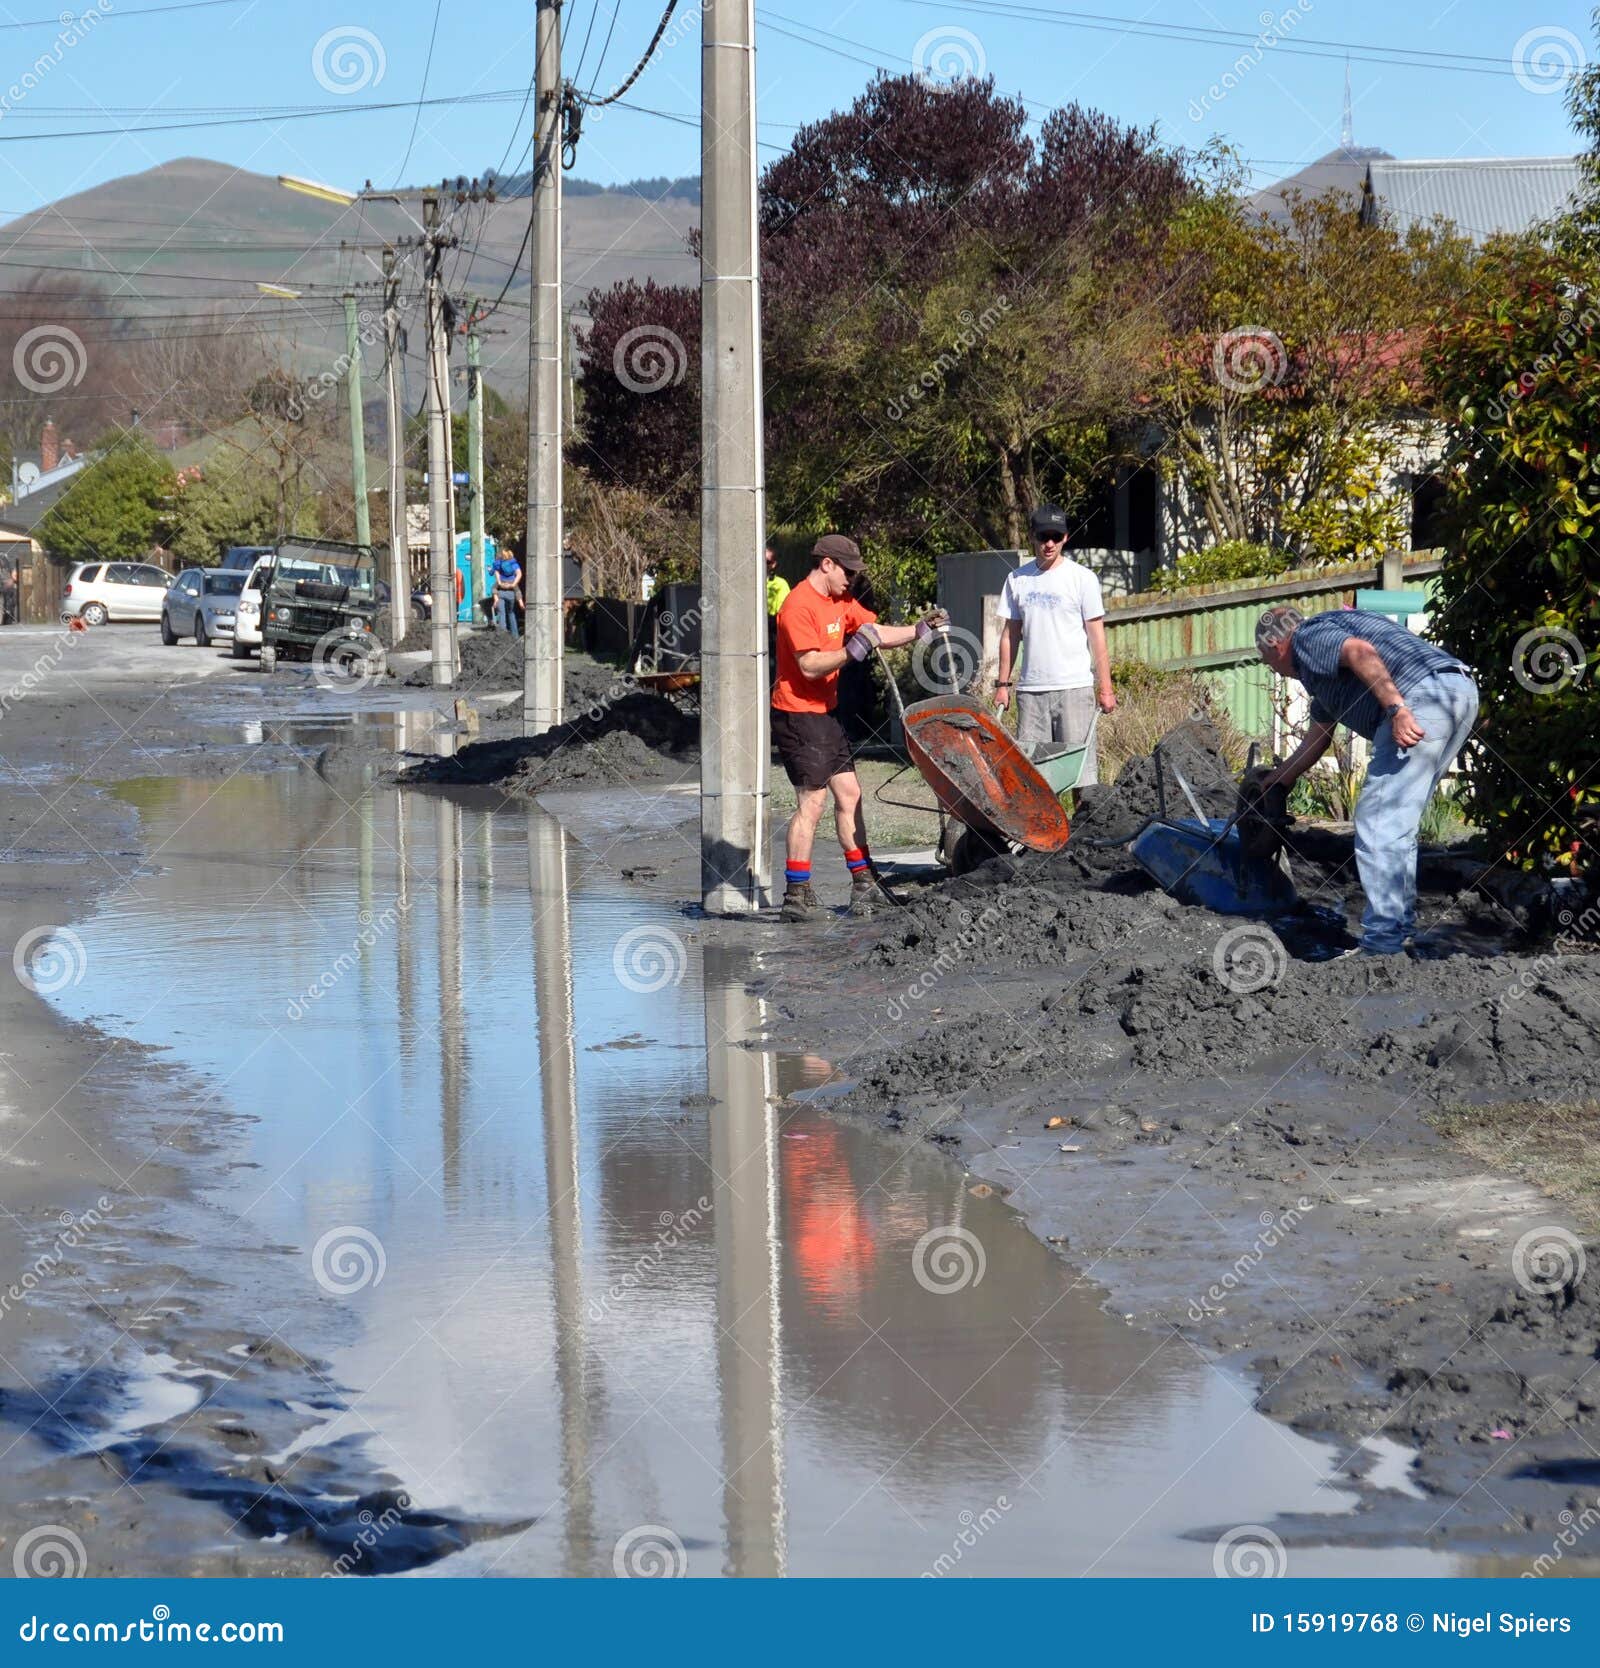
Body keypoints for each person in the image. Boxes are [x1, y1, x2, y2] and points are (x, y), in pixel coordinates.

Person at [1255, 604, 1479, 956]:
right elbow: (1318, 738)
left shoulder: (1308, 637)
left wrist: (1396, 709)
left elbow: (1361, 652)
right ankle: (1399, 931)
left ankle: (1382, 943)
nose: (1269, 666)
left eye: (1265, 657)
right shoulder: (1323, 678)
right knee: (1397, 826)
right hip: (1457, 692)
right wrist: (1276, 781)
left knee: (1378, 820)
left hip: (1418, 699)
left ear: (1275, 644)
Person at [772, 534, 944, 922]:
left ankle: (864, 884)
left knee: (850, 793)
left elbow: (876, 633)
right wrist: (851, 653)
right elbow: (809, 665)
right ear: (827, 564)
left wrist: (918, 630)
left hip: (825, 714)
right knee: (811, 803)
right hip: (798, 713)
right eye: (847, 570)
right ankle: (796, 895)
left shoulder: (841, 600)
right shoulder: (798, 605)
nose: (851, 578)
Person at [994, 504, 1116, 782]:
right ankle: (1043, 827)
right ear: (1032, 537)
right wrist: (1003, 686)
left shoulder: (1082, 578)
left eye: (1056, 537)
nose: (1049, 544)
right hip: (1032, 692)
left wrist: (1106, 688)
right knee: (1034, 780)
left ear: (1066, 538)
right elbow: (1010, 635)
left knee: (1080, 777)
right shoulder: (1016, 579)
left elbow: (1097, 637)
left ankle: (1083, 826)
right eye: (1043, 537)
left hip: (1074, 689)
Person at [492, 550, 523, 638]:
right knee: (511, 613)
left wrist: (496, 600)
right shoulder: (513, 576)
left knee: (501, 614)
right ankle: (515, 635)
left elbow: (494, 588)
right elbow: (517, 590)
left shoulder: (500, 577)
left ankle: (502, 635)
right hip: (511, 596)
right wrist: (521, 603)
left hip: (500, 594)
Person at [765, 545, 790, 617]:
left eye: (767, 562)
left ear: (773, 564)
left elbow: (783, 612)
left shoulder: (781, 584)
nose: (762, 564)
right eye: (760, 560)